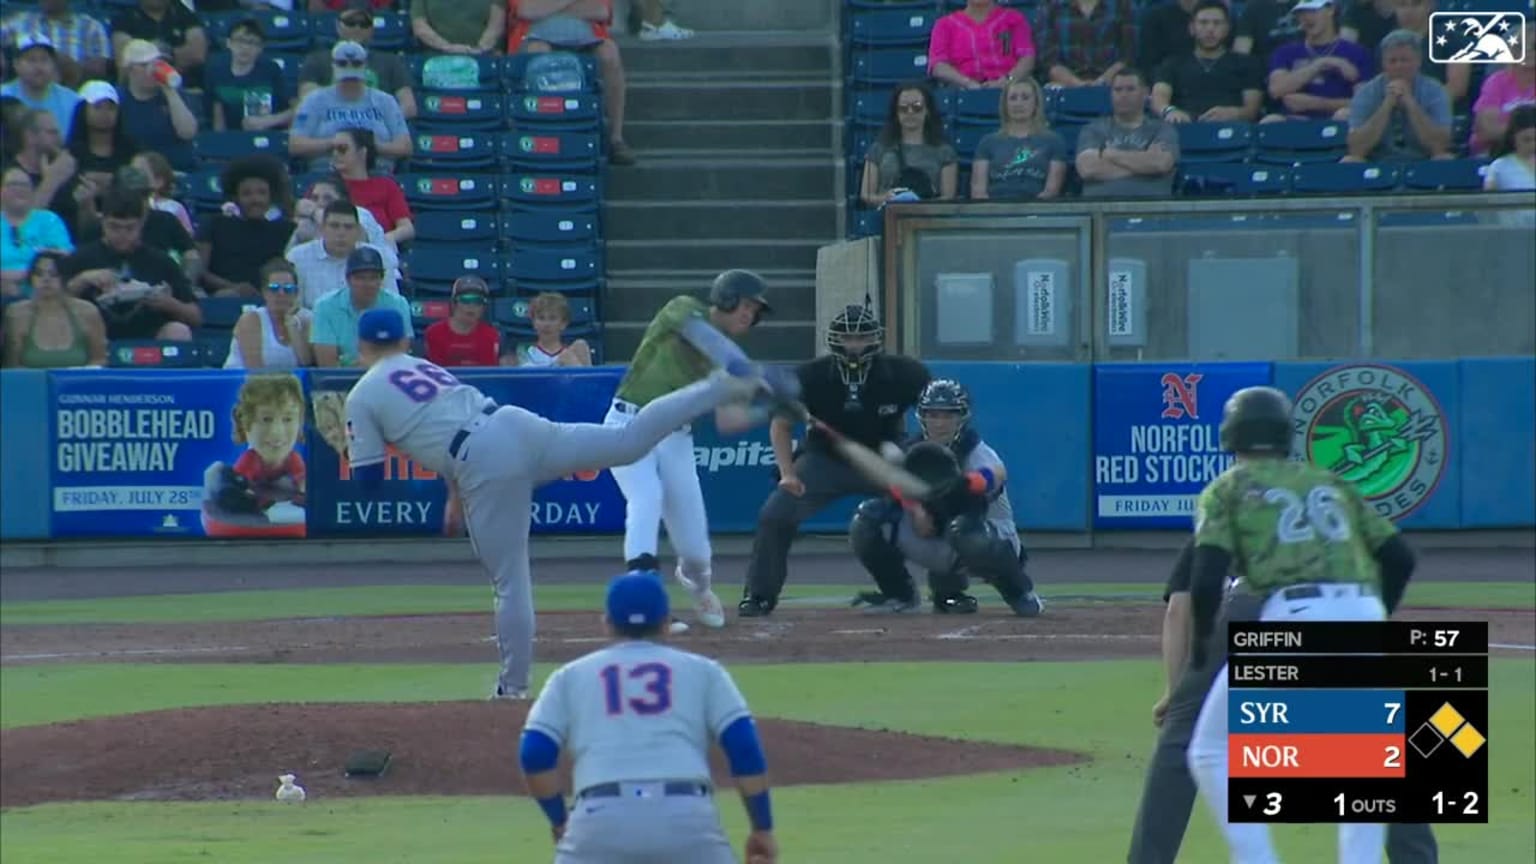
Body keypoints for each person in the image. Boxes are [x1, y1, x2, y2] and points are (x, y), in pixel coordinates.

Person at [334, 308, 778, 699]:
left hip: (483, 462)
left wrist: (360, 444)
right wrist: (452, 488)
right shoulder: (420, 364)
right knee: (628, 442)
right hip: (515, 425)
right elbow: (446, 423)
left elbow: (369, 481)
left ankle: (513, 689)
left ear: (361, 346)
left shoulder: (363, 394)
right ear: (404, 341)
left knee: (510, 581)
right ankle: (718, 386)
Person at [1183, 386, 1418, 864]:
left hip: (1296, 617)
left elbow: (1206, 580)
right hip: (1363, 614)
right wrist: (1373, 618)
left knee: (1210, 750)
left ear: (1230, 436)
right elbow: (1400, 557)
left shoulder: (1227, 489)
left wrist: (1202, 643)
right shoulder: (1329, 482)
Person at [1125, 538, 1440, 864]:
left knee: (1183, 739)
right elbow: (1397, 561)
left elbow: (1179, 610)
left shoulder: (1226, 516)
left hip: (1254, 607)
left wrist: (1176, 694)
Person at [518, 571, 777, 863]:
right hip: (687, 818)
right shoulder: (706, 672)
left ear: (607, 624)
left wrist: (559, 820)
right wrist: (762, 828)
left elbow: (534, 753)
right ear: (666, 624)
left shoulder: (569, 677)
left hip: (599, 818)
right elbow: (745, 748)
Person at [606, 270, 773, 632]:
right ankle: (647, 597)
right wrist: (753, 376)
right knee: (646, 497)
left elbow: (728, 422)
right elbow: (709, 341)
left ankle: (698, 586)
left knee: (696, 551)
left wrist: (770, 408)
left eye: (755, 311)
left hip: (676, 438)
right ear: (725, 297)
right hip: (628, 423)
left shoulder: (727, 365)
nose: (749, 315)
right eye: (745, 305)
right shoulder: (684, 308)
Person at [740, 304, 930, 618]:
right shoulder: (809, 376)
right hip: (824, 459)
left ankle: (943, 591)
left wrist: (913, 453)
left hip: (883, 459)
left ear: (876, 338)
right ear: (834, 339)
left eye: (862, 337)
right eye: (847, 337)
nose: (854, 345)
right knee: (775, 514)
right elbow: (781, 425)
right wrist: (788, 474)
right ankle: (760, 595)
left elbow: (934, 416)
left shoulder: (906, 373)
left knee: (936, 505)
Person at [848, 379, 1045, 617]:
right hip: (938, 536)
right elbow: (893, 482)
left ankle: (1019, 592)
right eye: (933, 415)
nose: (940, 423)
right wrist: (915, 509)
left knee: (964, 530)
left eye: (948, 415)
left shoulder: (974, 449)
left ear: (961, 418)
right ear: (922, 416)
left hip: (990, 535)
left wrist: (962, 483)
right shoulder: (914, 451)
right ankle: (902, 594)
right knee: (868, 518)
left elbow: (998, 473)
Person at [60, 187, 201, 342]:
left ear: (141, 224)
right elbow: (52, 304)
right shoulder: (81, 257)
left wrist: (168, 304)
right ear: (103, 222)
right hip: (95, 338)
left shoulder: (161, 261)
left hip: (148, 339)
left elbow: (195, 316)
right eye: (114, 227)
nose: (122, 235)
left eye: (130, 228)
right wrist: (82, 280)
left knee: (178, 331)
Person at [509, 0, 635, 165]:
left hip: (586, 36)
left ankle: (615, 139)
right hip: (535, 36)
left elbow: (600, 11)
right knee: (538, 52)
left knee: (609, 53)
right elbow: (527, 11)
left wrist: (548, 9)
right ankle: (544, 137)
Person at [289, 41, 413, 174]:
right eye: (342, 64)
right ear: (333, 66)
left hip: (377, 171)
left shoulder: (385, 101)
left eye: (356, 64)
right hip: (327, 172)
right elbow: (295, 145)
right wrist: (335, 143)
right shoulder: (314, 100)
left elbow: (405, 146)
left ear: (365, 66)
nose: (349, 68)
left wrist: (372, 146)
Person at [1343, 29, 1452, 162]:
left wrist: (1410, 103)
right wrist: (1387, 105)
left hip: (1423, 160)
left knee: (1444, 158)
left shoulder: (1435, 90)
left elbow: (1440, 145)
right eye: (1392, 61)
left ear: (1418, 61)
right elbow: (1356, 148)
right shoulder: (1367, 92)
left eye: (1405, 60)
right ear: (1383, 63)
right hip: (1377, 162)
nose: (1399, 66)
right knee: (1350, 160)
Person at [197, 155, 297, 298]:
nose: (255, 199)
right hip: (224, 296)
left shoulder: (286, 229)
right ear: (235, 197)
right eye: (247, 194)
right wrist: (233, 287)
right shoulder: (214, 224)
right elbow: (201, 272)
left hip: (273, 298)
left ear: (271, 196)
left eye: (262, 193)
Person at [1151, 0, 1265, 124]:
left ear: (1227, 28)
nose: (1210, 29)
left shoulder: (1247, 64)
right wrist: (1170, 111)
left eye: (1217, 23)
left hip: (1231, 129)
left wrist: (1234, 113)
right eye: (1203, 23)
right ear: (1192, 28)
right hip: (1184, 128)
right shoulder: (1172, 64)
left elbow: (1252, 110)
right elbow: (1159, 97)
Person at [1075, 67, 1181, 198]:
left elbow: (1161, 164)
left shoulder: (1162, 129)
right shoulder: (1093, 129)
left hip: (1151, 205)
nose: (1123, 95)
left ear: (1145, 93)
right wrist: (1145, 165)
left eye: (1130, 89)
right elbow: (1088, 169)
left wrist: (1109, 154)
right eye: (1118, 90)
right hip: (1099, 205)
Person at [1262, 0, 1372, 123]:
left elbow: (1364, 103)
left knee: (1344, 115)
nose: (1307, 18)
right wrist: (1321, 64)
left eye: (1313, 11)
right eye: (1301, 13)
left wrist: (1316, 103)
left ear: (1330, 10)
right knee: (1271, 120)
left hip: (1335, 120)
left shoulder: (1356, 52)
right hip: (1294, 120)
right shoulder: (1286, 51)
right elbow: (1276, 90)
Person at [297, 8, 417, 120]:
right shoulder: (317, 59)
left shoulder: (391, 61)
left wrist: (381, 122)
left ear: (372, 29)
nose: (357, 28)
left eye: (364, 24)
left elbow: (409, 106)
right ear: (338, 26)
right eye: (351, 23)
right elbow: (307, 98)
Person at [310, 245, 412, 367]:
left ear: (382, 279)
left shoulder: (398, 304)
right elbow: (327, 365)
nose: (368, 284)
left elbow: (400, 357)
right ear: (348, 279)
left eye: (373, 278)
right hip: (341, 377)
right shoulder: (325, 306)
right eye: (360, 278)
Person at [859, 82, 958, 208]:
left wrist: (921, 205)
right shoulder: (878, 148)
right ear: (896, 112)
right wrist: (884, 199)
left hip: (927, 215)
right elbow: (866, 194)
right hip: (887, 213)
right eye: (903, 108)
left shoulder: (945, 152)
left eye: (917, 107)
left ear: (927, 111)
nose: (910, 112)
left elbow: (948, 198)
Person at [2, 250, 106, 368]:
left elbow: (99, 359)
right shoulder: (16, 313)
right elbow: (12, 365)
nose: (46, 279)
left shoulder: (87, 312)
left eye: (54, 274)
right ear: (31, 278)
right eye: (39, 274)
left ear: (65, 277)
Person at [970, 77, 1067, 200]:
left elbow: (1051, 191)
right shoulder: (987, 142)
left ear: (1036, 103)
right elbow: (978, 192)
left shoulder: (1053, 141)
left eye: (1025, 98)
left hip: (1037, 207)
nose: (1018, 104)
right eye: (1013, 98)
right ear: (1005, 104)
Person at [115, 39, 198, 171]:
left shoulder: (175, 94)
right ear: (129, 70)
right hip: (137, 172)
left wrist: (169, 91)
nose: (151, 70)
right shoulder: (118, 98)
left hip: (178, 169)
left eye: (155, 64)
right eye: (144, 65)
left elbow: (188, 133)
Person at [205, 16, 293, 132]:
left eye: (252, 42)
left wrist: (267, 121)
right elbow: (218, 120)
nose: (245, 47)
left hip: (269, 136)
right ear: (229, 43)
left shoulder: (271, 70)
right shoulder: (216, 72)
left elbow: (292, 111)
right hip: (232, 137)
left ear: (261, 48)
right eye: (239, 41)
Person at [926, 0, 1036, 91]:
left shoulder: (1014, 19)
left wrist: (1005, 81)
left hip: (1009, 89)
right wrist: (967, 83)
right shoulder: (944, 25)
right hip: (963, 90)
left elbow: (1027, 58)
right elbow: (938, 66)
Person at [224, 258, 312, 370]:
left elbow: (305, 364)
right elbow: (255, 370)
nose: (281, 293)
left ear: (296, 293)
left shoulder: (306, 319)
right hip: (243, 380)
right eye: (274, 288)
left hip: (288, 381)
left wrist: (292, 326)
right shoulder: (251, 319)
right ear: (264, 292)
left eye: (288, 289)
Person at [331, 128, 414, 247]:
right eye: (332, 149)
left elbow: (407, 228)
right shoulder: (326, 186)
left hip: (378, 249)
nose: (335, 154)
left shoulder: (386, 186)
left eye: (342, 149)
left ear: (362, 153)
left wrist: (385, 239)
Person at [0, 166, 73, 294]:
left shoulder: (49, 220)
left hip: (44, 288)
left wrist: (23, 275)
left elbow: (64, 256)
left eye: (24, 185)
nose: (19, 189)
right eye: (12, 184)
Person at [1035, 0, 1138, 88]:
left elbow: (1128, 56)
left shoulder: (1123, 5)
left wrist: (1101, 82)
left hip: (1114, 86)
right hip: (1065, 87)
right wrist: (1077, 84)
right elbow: (1048, 61)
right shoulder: (1050, 7)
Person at [1469, 20, 1535, 157]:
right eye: (1520, 47)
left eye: (1534, 46)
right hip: (1499, 151)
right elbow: (1486, 129)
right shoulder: (1497, 82)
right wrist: (1523, 137)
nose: (1528, 51)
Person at [109, 0, 208, 90]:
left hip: (185, 86)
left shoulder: (184, 14)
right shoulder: (124, 18)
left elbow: (197, 53)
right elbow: (124, 59)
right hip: (140, 90)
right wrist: (173, 57)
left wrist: (157, 54)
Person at [0, 34, 80, 138]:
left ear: (54, 64)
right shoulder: (3, 95)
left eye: (44, 60)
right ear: (16, 64)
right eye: (31, 60)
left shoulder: (72, 101)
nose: (38, 66)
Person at [423, 275, 501, 367]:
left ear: (484, 307)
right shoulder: (435, 333)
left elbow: (488, 371)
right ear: (454, 304)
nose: (471, 306)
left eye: (478, 301)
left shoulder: (490, 335)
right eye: (466, 300)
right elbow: (435, 370)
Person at [507, 291, 592, 367]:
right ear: (534, 323)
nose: (546, 324)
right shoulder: (524, 354)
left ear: (563, 324)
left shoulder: (571, 355)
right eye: (541, 318)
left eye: (552, 318)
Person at [409, 0, 506, 55]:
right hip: (437, 57)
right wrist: (447, 47)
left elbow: (496, 25)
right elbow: (419, 25)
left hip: (482, 56)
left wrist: (479, 49)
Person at [129, 151, 192, 236]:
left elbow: (187, 238)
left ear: (158, 181)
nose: (133, 177)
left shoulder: (174, 209)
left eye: (139, 173)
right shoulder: (124, 205)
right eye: (131, 172)